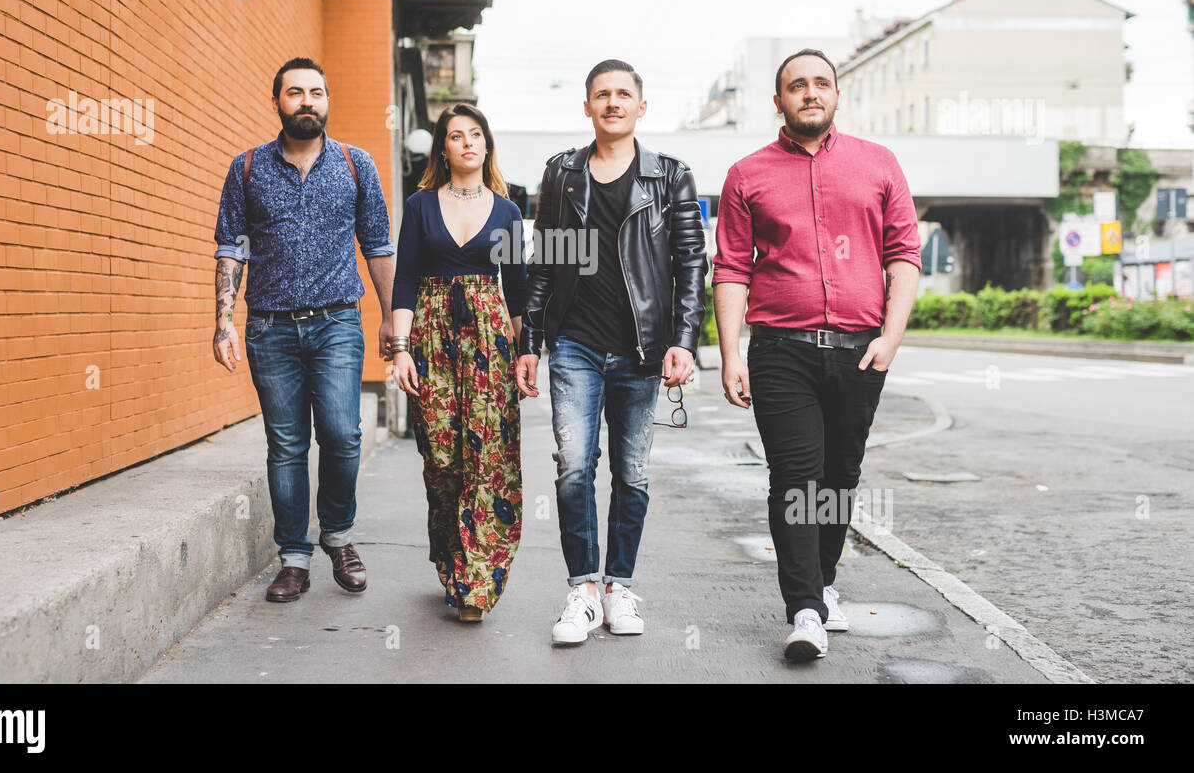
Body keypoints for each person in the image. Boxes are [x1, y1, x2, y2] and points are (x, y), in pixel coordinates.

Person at [712, 48, 921, 660]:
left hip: (860, 352)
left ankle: (823, 584)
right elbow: (730, 269)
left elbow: (903, 255)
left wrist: (890, 338)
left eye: (820, 83)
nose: (810, 92)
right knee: (795, 477)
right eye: (796, 85)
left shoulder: (879, 165)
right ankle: (803, 608)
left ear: (836, 95)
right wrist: (731, 355)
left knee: (838, 478)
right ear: (777, 100)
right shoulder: (747, 174)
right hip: (782, 350)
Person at [516, 59, 707, 645]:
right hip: (574, 343)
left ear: (641, 107)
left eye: (624, 94)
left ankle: (619, 584)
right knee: (574, 467)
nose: (613, 102)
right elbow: (545, 262)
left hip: (642, 349)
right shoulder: (562, 174)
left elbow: (691, 263)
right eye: (603, 94)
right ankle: (584, 591)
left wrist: (684, 340)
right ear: (588, 106)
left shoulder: (668, 175)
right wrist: (529, 343)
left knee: (633, 471)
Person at [212, 57, 395, 603]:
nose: (307, 100)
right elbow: (231, 247)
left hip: (338, 322)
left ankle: (337, 536)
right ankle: (294, 557)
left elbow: (379, 246)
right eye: (295, 92)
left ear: (327, 100)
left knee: (342, 434)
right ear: (277, 102)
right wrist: (222, 318)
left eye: (317, 91)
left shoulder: (356, 164)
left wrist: (391, 317)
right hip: (268, 329)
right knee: (286, 444)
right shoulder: (246, 168)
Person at [390, 104, 526, 622]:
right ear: (442, 149)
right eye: (455, 136)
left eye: (475, 134)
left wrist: (525, 354)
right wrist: (400, 349)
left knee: (488, 459)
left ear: (486, 144)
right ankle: (450, 555)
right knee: (443, 461)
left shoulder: (508, 213)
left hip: (490, 342)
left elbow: (516, 291)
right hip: (431, 339)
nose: (467, 142)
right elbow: (404, 279)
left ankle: (477, 582)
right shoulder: (421, 205)